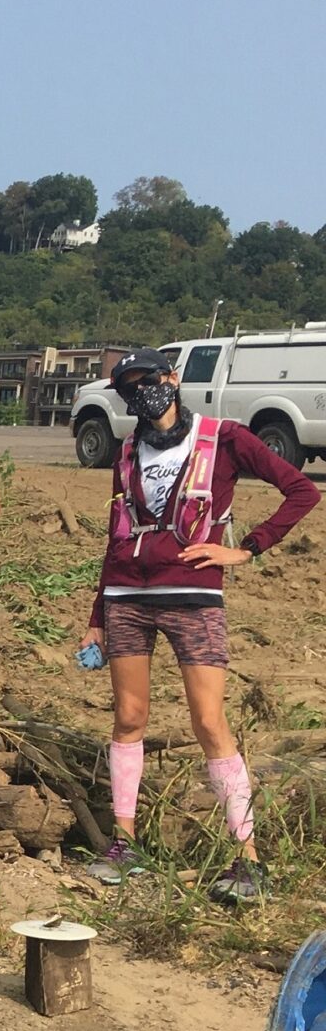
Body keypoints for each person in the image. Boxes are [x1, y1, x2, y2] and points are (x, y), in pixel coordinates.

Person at [78, 348, 318, 901]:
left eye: (151, 380)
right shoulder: (126, 451)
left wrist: (249, 549)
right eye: (130, 386)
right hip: (126, 598)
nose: (143, 392)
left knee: (209, 722)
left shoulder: (226, 438)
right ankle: (125, 842)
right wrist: (96, 618)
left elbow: (301, 491)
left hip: (193, 597)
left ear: (174, 379)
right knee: (129, 716)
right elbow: (116, 537)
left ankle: (246, 857)